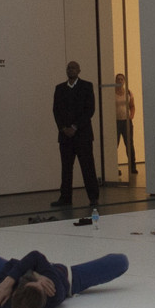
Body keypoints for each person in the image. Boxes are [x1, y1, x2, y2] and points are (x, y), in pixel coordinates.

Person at [0, 249, 130, 308]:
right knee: (120, 261)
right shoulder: (54, 291)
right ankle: (23, 272)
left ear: (17, 289)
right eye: (40, 283)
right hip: (67, 276)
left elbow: (14, 263)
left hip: (22, 273)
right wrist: (36, 274)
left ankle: (20, 274)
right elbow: (35, 256)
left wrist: (9, 280)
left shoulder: (2, 299)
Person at [52, 61, 99, 208]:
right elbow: (56, 111)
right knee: (66, 168)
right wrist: (63, 128)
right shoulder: (59, 88)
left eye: (73, 68)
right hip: (65, 136)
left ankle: (93, 197)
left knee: (87, 167)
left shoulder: (86, 86)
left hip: (82, 135)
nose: (70, 70)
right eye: (68, 68)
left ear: (79, 70)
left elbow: (89, 110)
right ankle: (65, 197)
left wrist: (75, 126)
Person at [114, 72, 138, 177]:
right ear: (115, 81)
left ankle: (132, 167)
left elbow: (132, 106)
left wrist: (131, 116)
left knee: (129, 144)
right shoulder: (111, 92)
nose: (120, 81)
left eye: (121, 79)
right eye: (118, 79)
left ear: (124, 81)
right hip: (115, 122)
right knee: (114, 145)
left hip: (126, 122)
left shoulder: (128, 92)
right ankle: (113, 167)